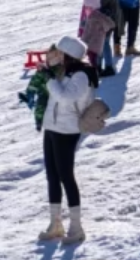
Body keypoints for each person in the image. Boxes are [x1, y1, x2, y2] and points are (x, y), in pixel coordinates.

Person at [36, 37, 97, 244]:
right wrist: (47, 72)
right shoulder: (65, 72)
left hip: (67, 130)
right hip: (52, 127)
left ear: (69, 54)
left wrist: (49, 79)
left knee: (66, 176)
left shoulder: (81, 75)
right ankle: (55, 224)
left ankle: (76, 228)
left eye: (61, 53)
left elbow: (65, 98)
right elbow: (54, 95)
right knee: (52, 176)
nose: (58, 56)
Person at [88, 0, 121, 77]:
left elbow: (104, 0)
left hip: (107, 16)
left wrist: (93, 5)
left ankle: (107, 67)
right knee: (102, 42)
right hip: (104, 16)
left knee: (104, 42)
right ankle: (100, 67)